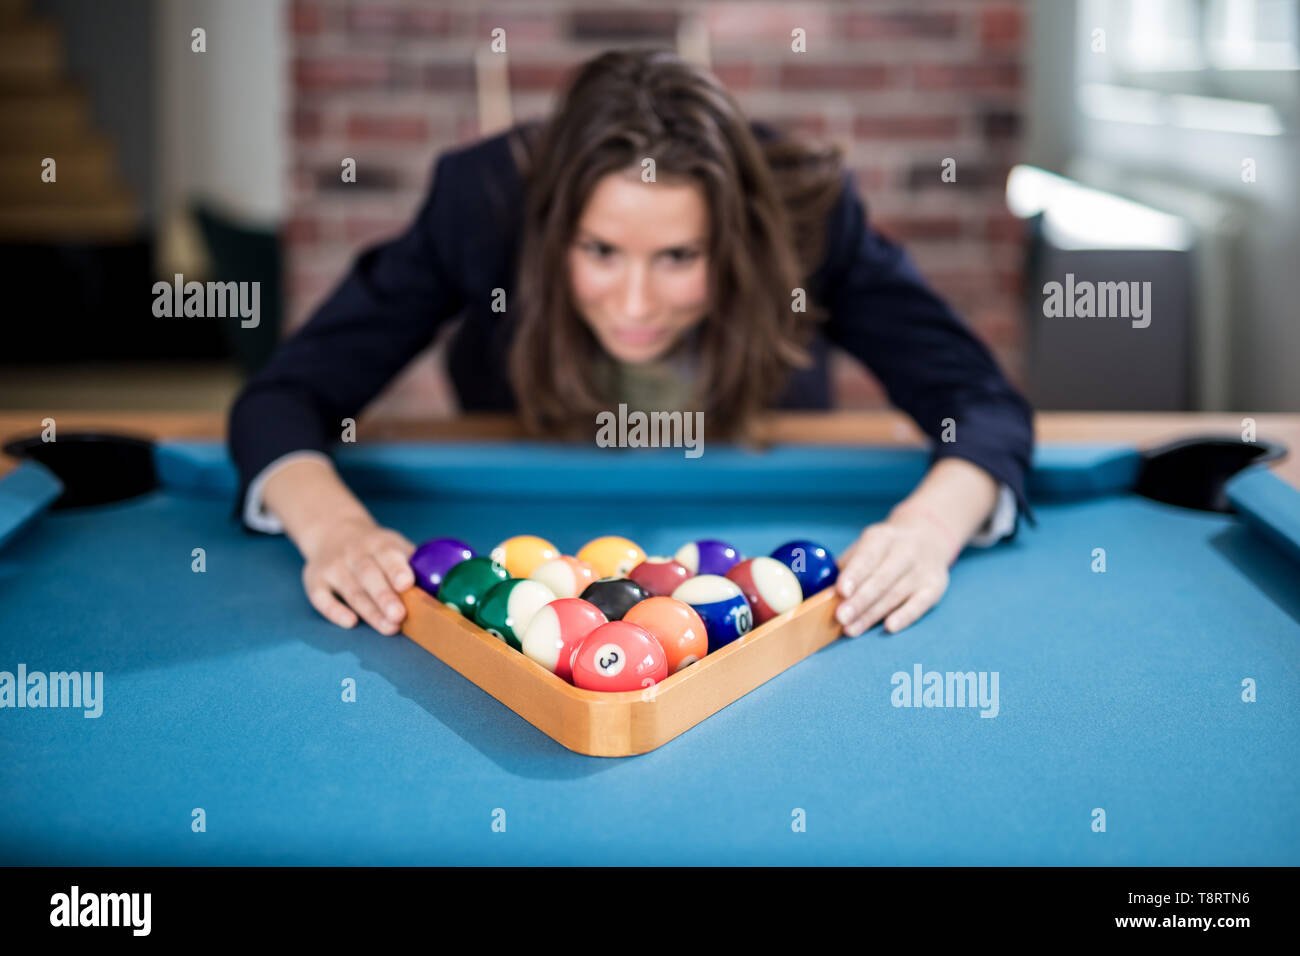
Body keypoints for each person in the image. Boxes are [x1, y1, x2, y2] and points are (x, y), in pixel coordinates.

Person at [228, 49, 1033, 640]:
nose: (636, 304)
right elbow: (285, 397)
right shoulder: (482, 204)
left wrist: (928, 530)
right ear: (552, 234)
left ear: (736, 239)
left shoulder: (806, 215)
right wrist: (334, 529)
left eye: (679, 257)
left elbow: (981, 402)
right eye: (601, 253)